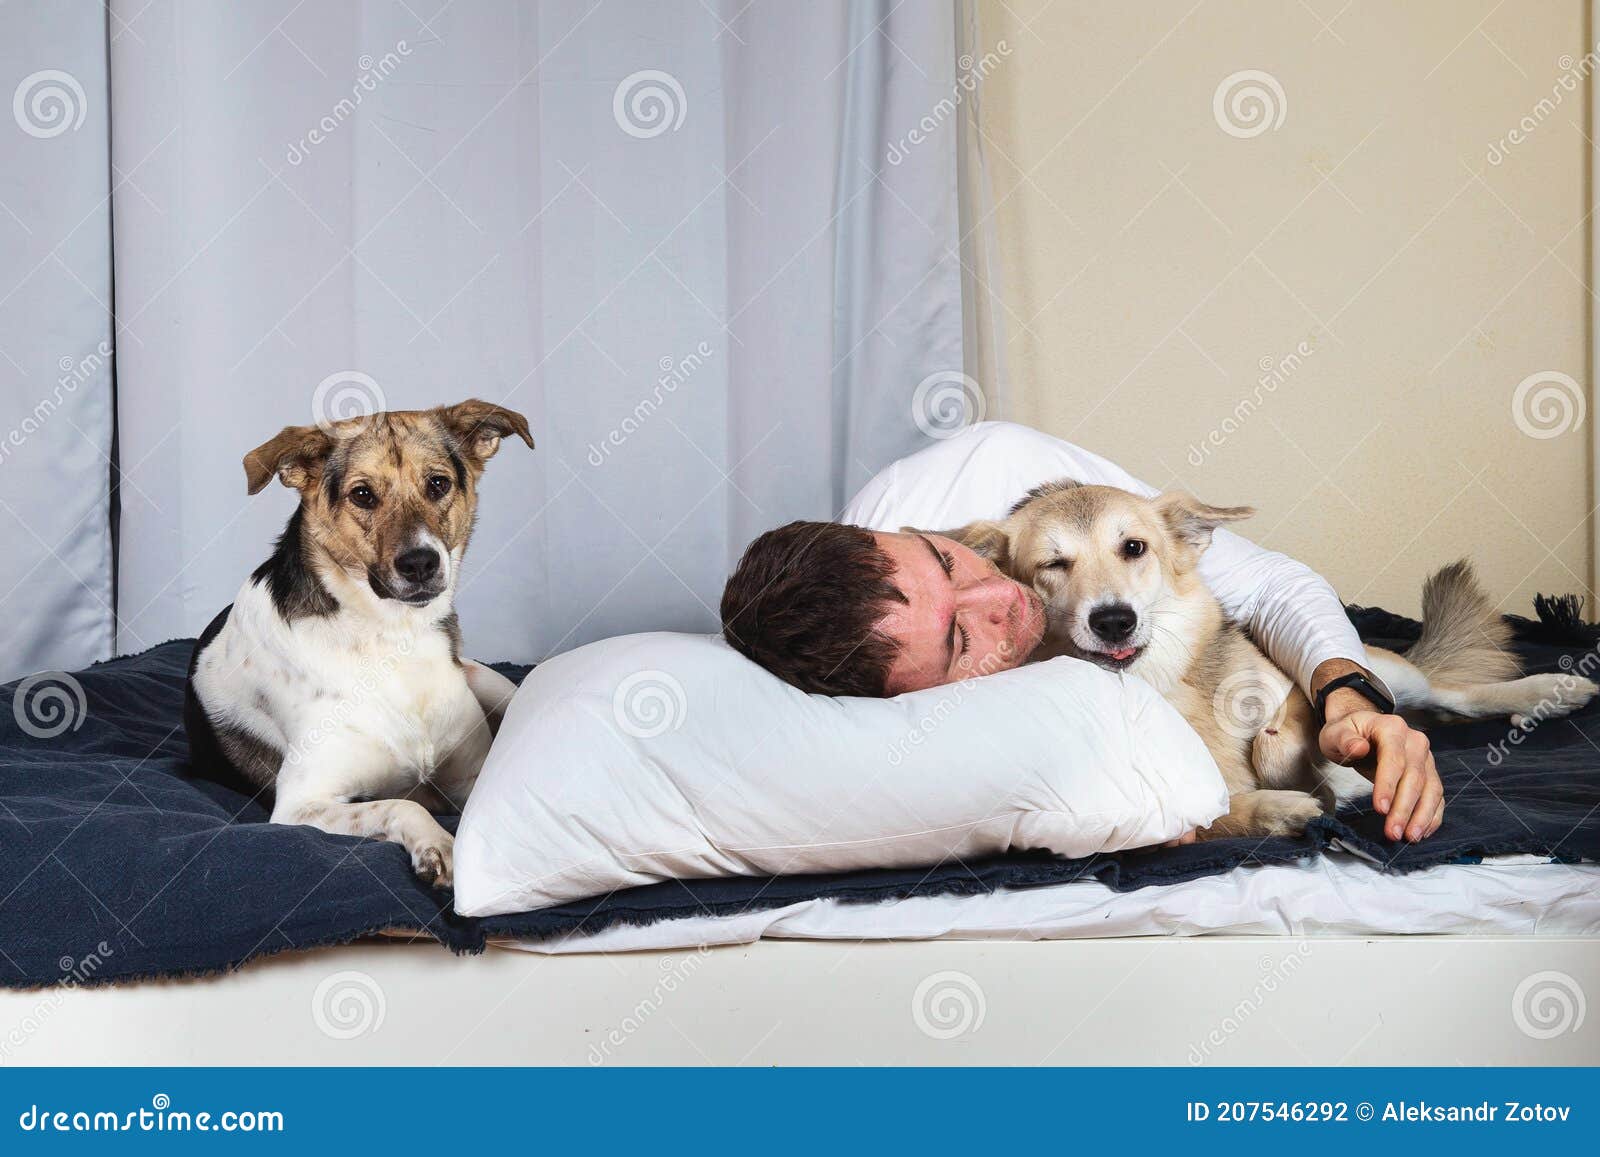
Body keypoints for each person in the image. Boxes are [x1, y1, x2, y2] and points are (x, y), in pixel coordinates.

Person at [720, 422, 1442, 844]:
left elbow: (1271, 586)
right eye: (960, 639)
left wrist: (1350, 697)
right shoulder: (897, 736)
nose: (999, 599)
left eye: (952, 563)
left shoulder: (987, 466)